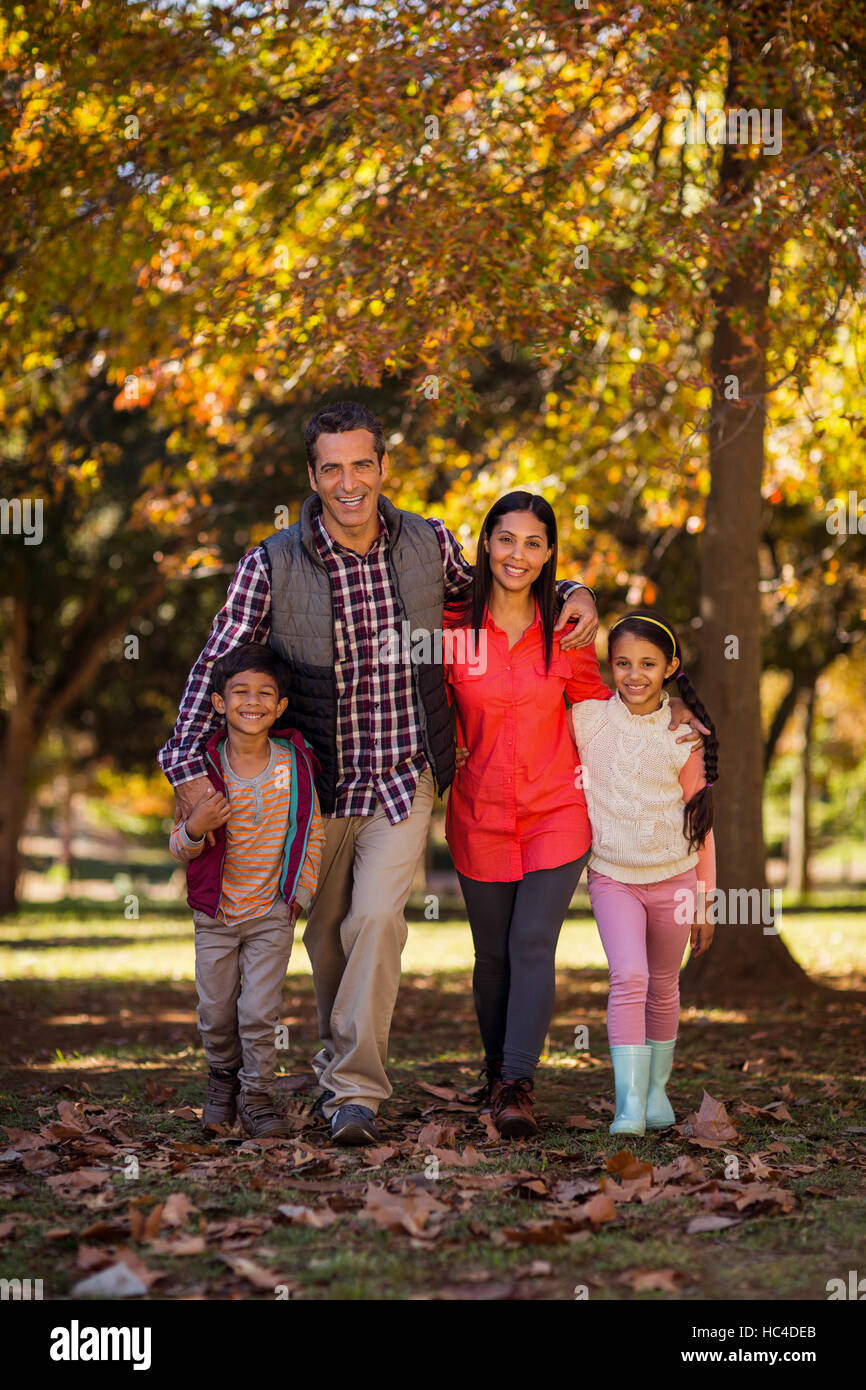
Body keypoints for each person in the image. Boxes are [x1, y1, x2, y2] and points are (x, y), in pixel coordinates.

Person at [159, 401, 599, 1145]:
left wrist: (574, 589)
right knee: (326, 933)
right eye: (332, 467)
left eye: (362, 463)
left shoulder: (429, 543)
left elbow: (506, 583)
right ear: (312, 476)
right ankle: (337, 1070)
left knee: (375, 922)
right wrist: (185, 768)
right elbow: (217, 668)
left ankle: (355, 1094)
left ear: (383, 467)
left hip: (404, 777)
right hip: (321, 789)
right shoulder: (271, 563)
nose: (349, 481)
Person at [445, 497, 705, 1138]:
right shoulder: (450, 626)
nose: (518, 555)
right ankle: (495, 1070)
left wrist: (672, 712)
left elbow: (611, 706)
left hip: (556, 811)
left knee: (533, 943)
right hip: (478, 811)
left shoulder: (567, 632)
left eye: (535, 544)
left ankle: (517, 1086)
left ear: (549, 554)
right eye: (506, 540)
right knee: (492, 956)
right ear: (484, 543)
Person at [571, 610, 717, 1137]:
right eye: (623, 663)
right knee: (628, 976)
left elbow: (701, 826)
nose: (634, 674)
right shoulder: (587, 720)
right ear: (610, 667)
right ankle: (628, 1102)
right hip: (613, 877)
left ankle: (657, 1093)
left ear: (669, 667)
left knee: (664, 985)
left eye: (648, 664)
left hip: (676, 879)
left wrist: (706, 901)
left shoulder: (683, 736)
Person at [169, 644, 325, 1139]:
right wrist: (195, 827)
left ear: (280, 707)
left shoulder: (295, 763)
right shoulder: (201, 771)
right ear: (218, 703)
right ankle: (221, 1081)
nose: (251, 701)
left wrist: (295, 897)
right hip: (215, 916)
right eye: (239, 692)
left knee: (259, 1014)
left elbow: (313, 832)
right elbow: (178, 846)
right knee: (216, 1013)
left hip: (270, 915)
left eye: (264, 693)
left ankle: (256, 1096)